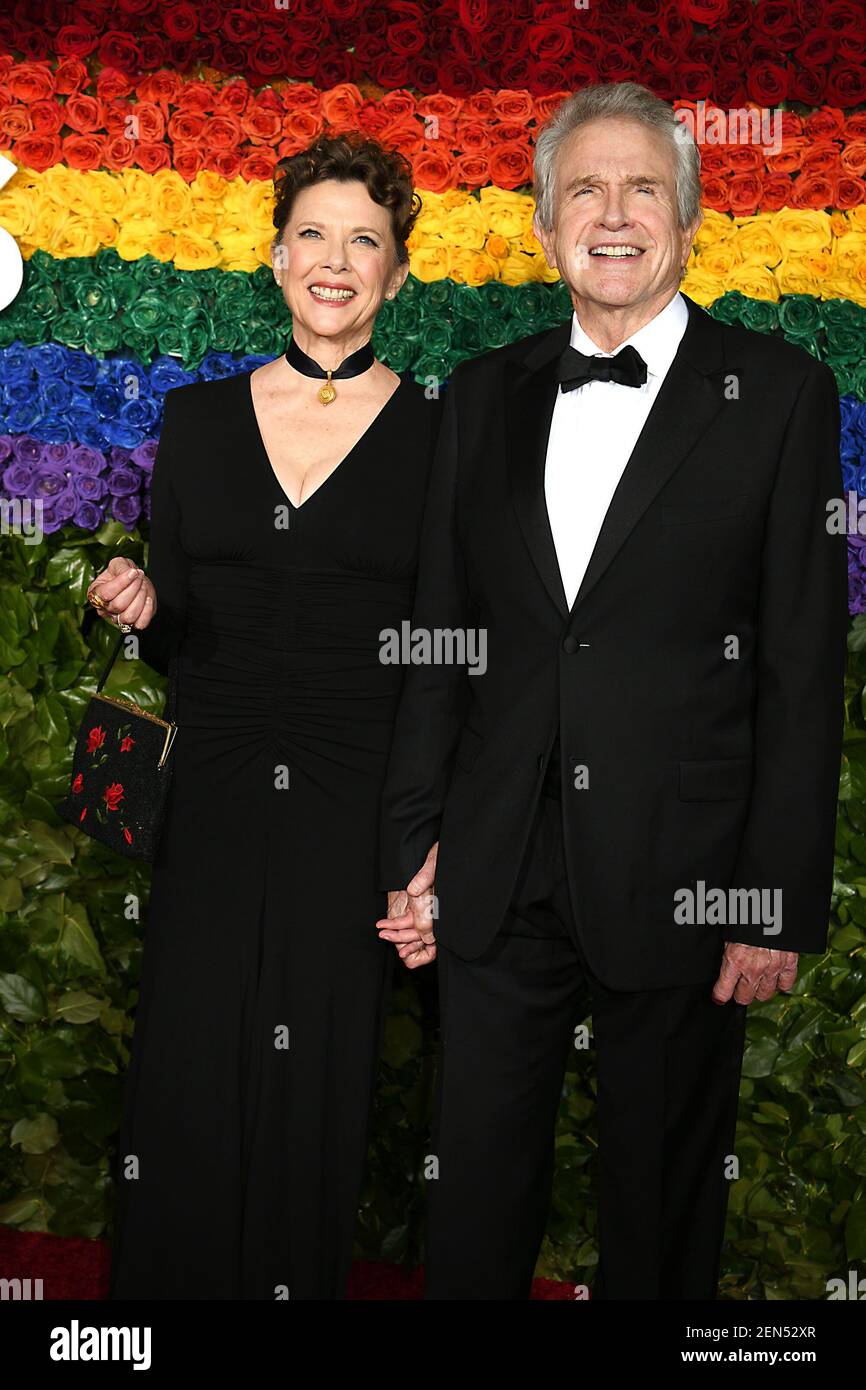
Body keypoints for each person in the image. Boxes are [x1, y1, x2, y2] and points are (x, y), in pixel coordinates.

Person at [377, 80, 848, 1300]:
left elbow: (800, 667)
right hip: (495, 863)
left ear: (687, 221)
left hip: (684, 870)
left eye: (643, 185)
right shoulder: (477, 396)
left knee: (661, 1203)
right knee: (473, 1200)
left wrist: (771, 898)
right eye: (583, 187)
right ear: (543, 225)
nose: (613, 211)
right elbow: (442, 634)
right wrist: (411, 839)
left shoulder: (779, 395)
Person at [86, 133, 441, 1299]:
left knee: (315, 1075)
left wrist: (425, 836)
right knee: (188, 1063)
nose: (333, 262)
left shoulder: (444, 439)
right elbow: (173, 620)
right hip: (213, 792)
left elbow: (454, 653)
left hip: (354, 797)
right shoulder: (193, 422)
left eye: (363, 242)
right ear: (274, 255)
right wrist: (139, 606)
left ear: (396, 274)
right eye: (311, 235)